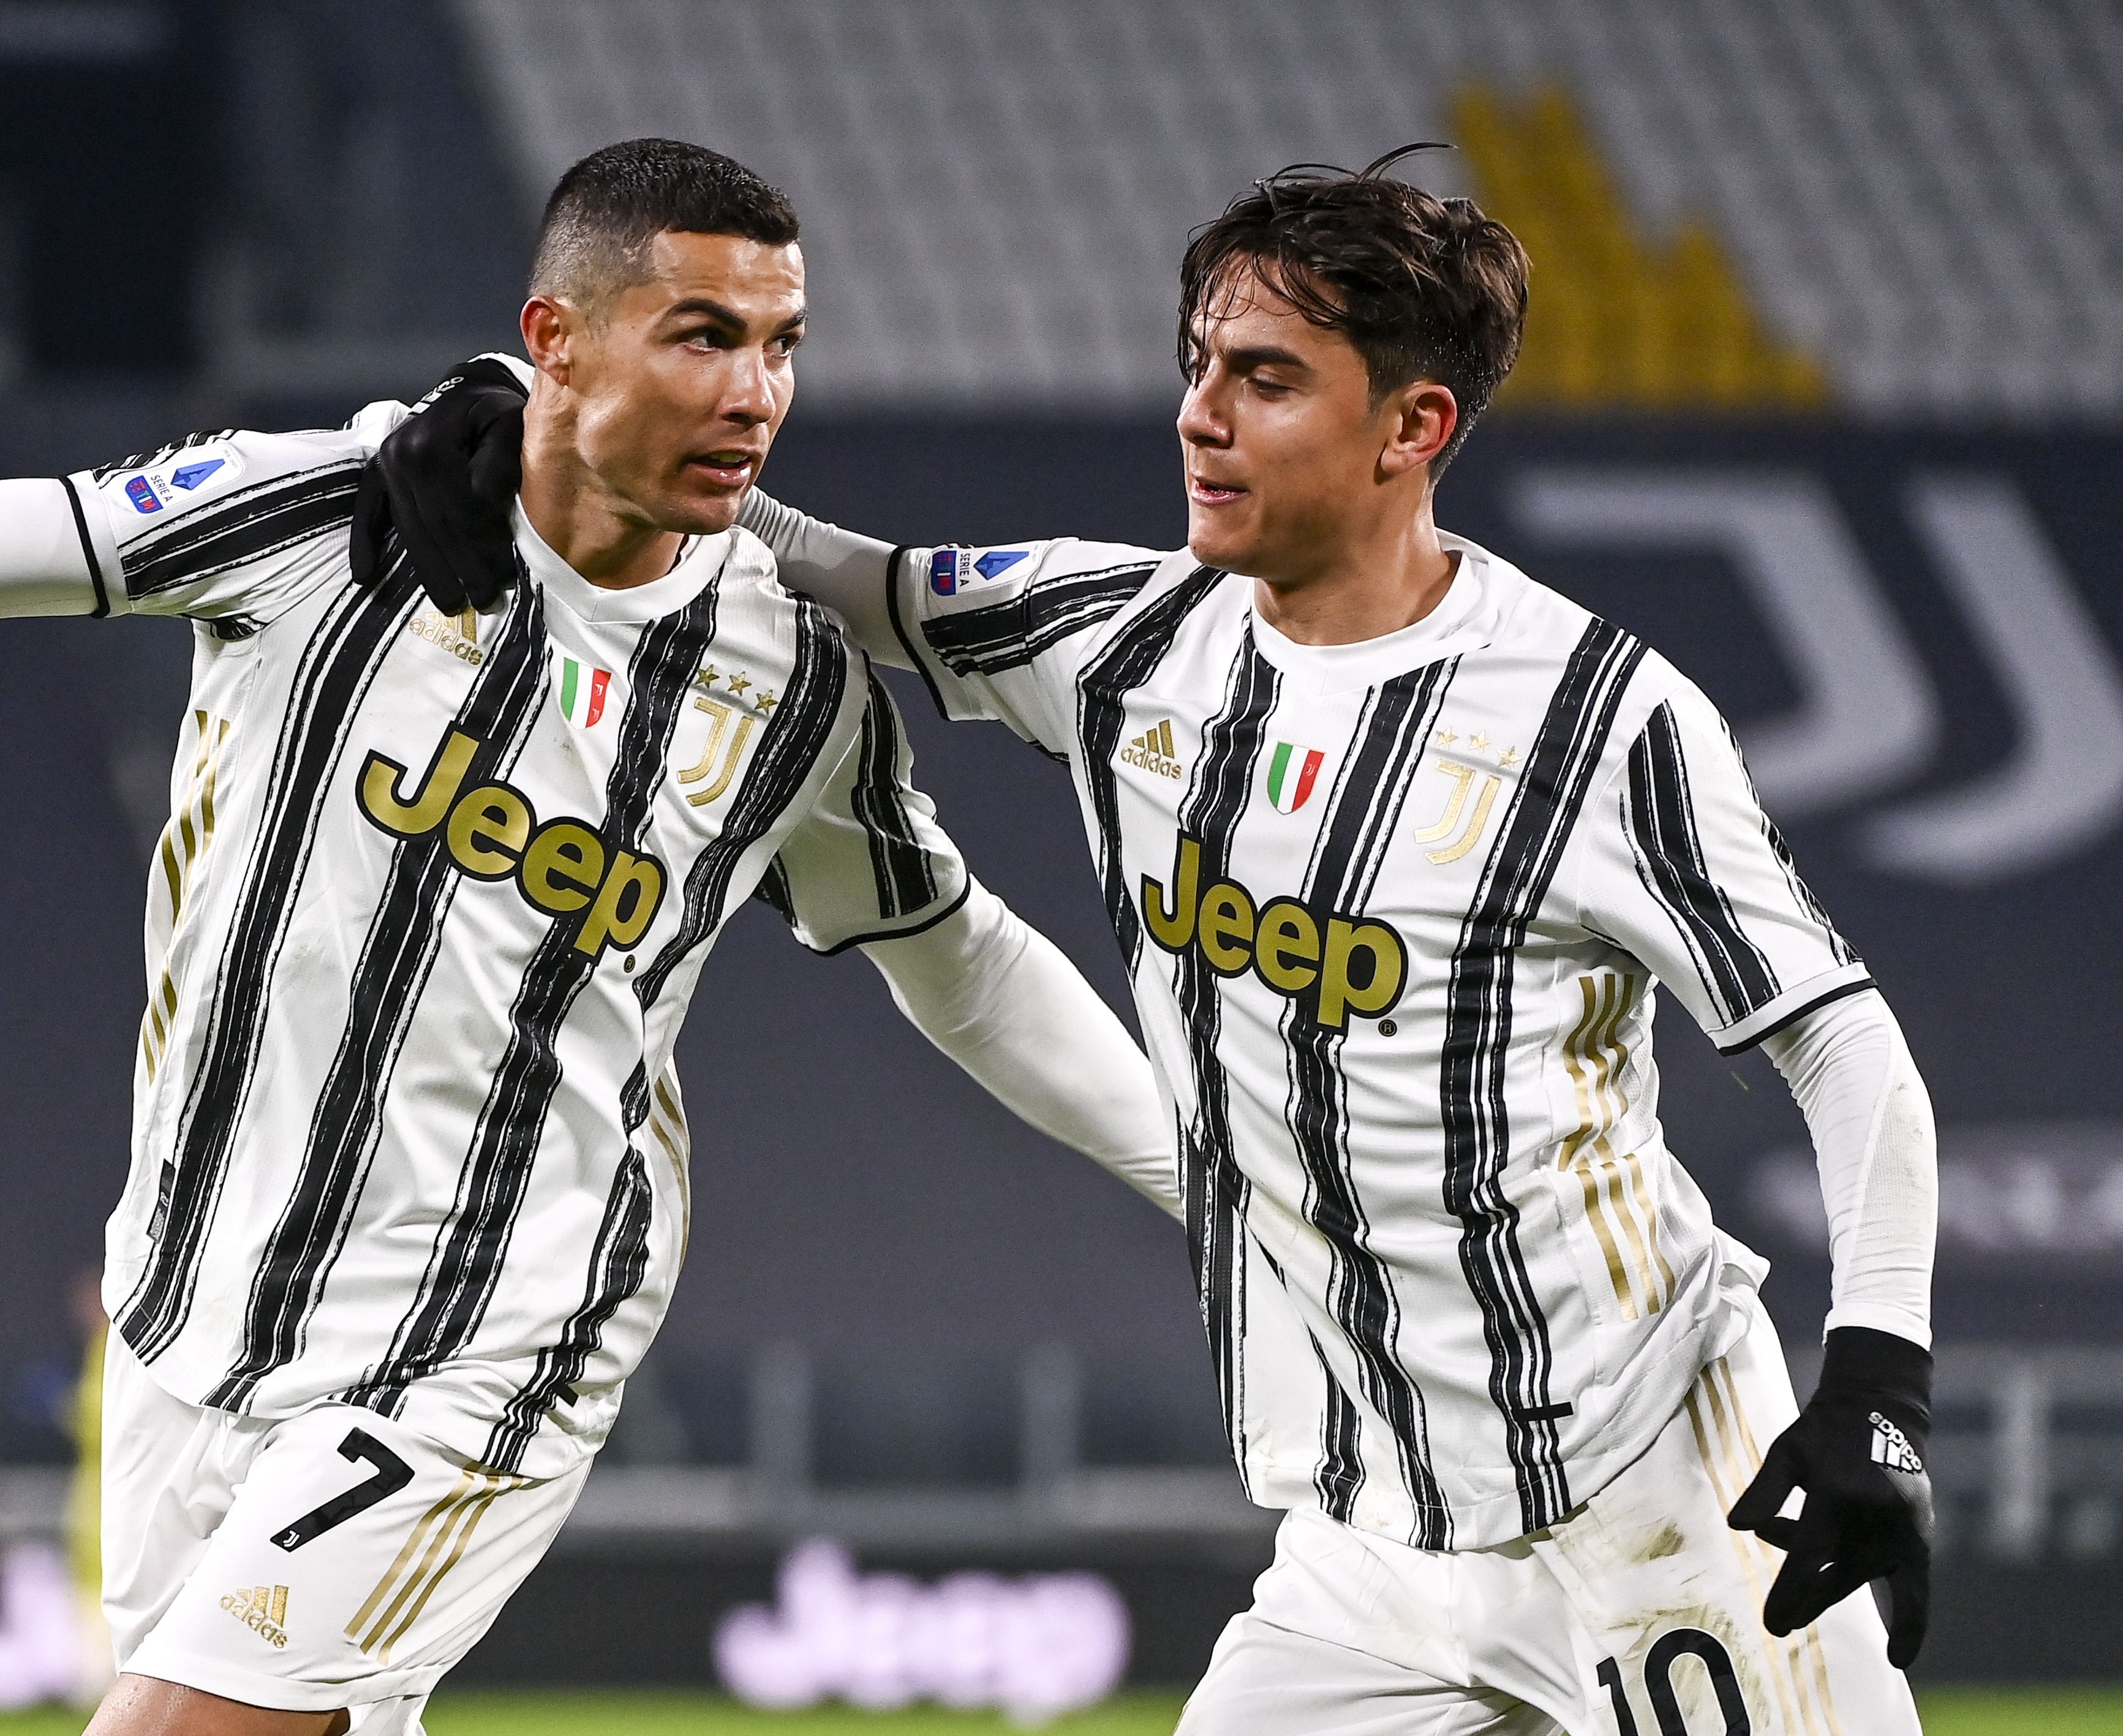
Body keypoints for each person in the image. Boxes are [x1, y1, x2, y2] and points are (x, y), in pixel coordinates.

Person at [380, 151, 1940, 1734]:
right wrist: (533, 403)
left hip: (1659, 1496)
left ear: (1412, 427)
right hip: (1371, 1536)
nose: (1199, 415)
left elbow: (1839, 1040)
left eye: (1264, 378)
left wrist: (1878, 1383)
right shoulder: (1122, 639)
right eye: (1196, 364)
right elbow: (832, 573)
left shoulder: (1595, 720)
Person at [0, 138, 1174, 1736]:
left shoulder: (785, 676)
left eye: (781, 344)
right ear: (555, 341)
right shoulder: (330, 520)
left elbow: (957, 954)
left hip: (491, 1334)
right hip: (194, 1299)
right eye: (700, 336)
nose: (754, 393)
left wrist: (1206, 1175)